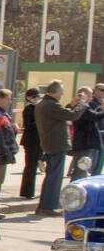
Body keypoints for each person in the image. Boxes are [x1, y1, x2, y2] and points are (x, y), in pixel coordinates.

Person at [32, 79, 85, 215]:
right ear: (55, 91)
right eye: (61, 90)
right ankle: (48, 207)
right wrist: (81, 104)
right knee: (54, 178)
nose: (63, 93)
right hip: (56, 144)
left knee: (51, 176)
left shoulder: (44, 104)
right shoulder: (51, 105)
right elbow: (73, 116)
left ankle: (45, 205)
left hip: (49, 143)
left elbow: (62, 114)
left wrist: (72, 105)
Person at [67, 85, 104, 179]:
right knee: (81, 170)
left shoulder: (83, 107)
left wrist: (101, 109)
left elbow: (93, 116)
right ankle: (75, 189)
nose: (91, 98)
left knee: (84, 170)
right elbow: (94, 116)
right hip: (84, 142)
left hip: (87, 142)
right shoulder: (81, 107)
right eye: (90, 95)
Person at [18, 87, 41, 200]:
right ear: (28, 98)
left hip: (37, 140)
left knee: (34, 166)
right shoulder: (28, 109)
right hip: (30, 140)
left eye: (37, 96)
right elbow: (29, 125)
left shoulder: (37, 107)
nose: (36, 99)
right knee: (30, 166)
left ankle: (29, 191)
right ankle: (27, 191)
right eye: (34, 97)